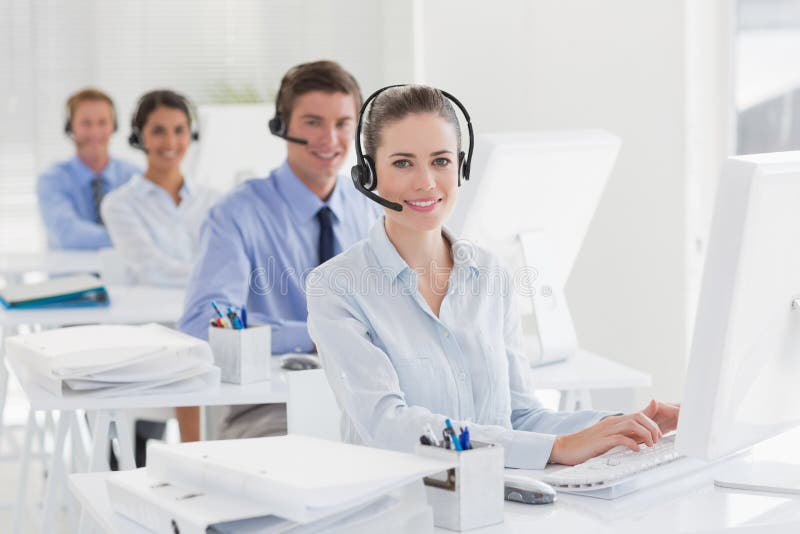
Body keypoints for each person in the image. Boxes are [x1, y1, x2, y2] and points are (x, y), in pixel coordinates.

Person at [306, 85, 680, 469]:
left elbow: (520, 417)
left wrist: (618, 427)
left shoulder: (490, 276)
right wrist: (556, 449)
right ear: (367, 173)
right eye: (403, 163)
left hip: (496, 501)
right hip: (400, 508)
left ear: (461, 166)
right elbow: (387, 426)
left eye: (441, 161)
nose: (426, 183)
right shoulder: (336, 288)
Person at [178, 60, 381, 439]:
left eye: (342, 123)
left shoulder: (373, 208)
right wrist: (316, 333)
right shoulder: (235, 214)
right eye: (312, 122)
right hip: (272, 411)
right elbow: (200, 328)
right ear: (281, 127)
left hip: (369, 406)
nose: (330, 139)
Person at [101, 89, 221, 287]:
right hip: (152, 315)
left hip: (211, 314)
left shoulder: (215, 200)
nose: (170, 142)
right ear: (139, 138)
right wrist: (218, 276)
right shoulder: (119, 204)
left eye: (179, 130)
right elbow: (151, 270)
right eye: (158, 131)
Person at [37, 88, 140, 249]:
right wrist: (130, 238)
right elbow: (68, 235)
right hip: (72, 273)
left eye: (102, 122)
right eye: (86, 123)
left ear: (114, 126)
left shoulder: (134, 177)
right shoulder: (52, 180)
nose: (95, 132)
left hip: (123, 273)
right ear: (70, 127)